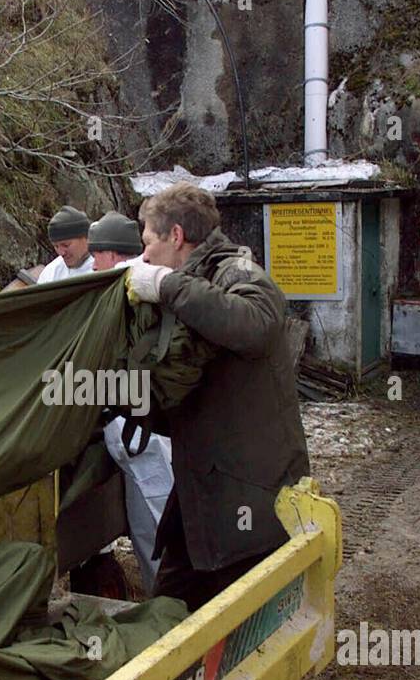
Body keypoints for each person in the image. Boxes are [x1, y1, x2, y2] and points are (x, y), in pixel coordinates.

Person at [124, 183, 309, 610]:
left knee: (240, 627)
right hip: (206, 489)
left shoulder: (237, 272)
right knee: (171, 615)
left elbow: (256, 323)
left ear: (175, 236)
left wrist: (167, 286)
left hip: (248, 494)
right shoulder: (199, 284)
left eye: (148, 243)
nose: (145, 257)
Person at [87, 212, 175, 592]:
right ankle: (166, 605)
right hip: (130, 431)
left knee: (164, 524)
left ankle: (188, 612)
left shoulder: (141, 291)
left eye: (98, 254)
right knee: (145, 528)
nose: (93, 262)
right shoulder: (120, 289)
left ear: (116, 255)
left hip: (149, 432)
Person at [35, 205, 95, 284]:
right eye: (56, 246)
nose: (61, 253)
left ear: (86, 238)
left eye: (66, 245)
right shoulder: (51, 273)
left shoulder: (105, 265)